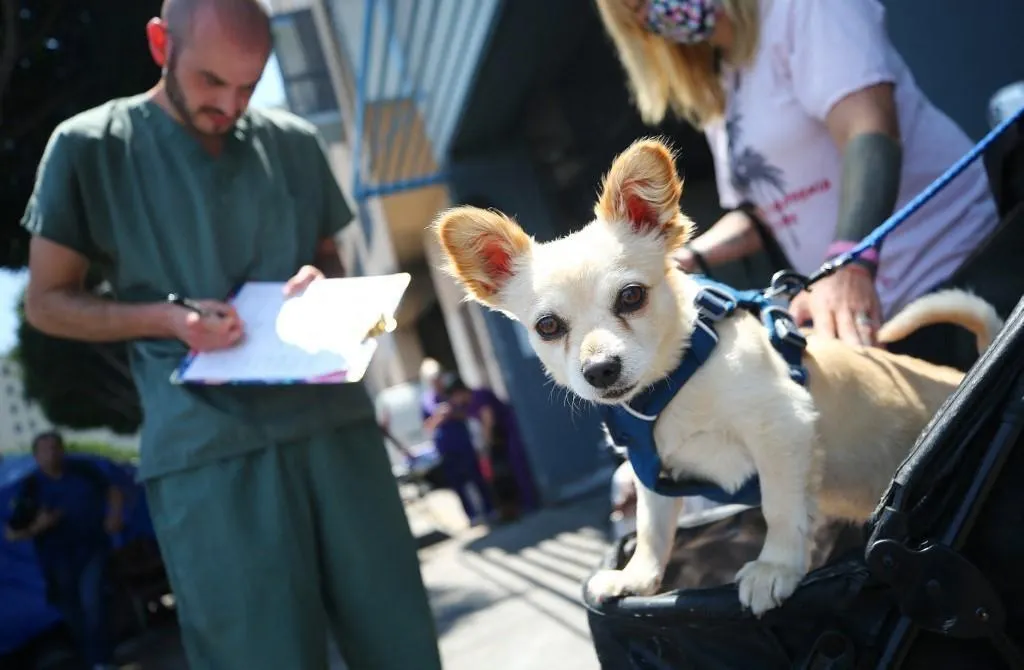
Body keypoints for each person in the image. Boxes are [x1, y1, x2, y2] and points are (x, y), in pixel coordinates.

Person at [18, 1, 442, 668]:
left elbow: (329, 255)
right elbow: (45, 303)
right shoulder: (90, 148)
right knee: (256, 656)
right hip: (208, 453)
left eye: (249, 85)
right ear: (162, 44)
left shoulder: (293, 141)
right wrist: (164, 319)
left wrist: (318, 275)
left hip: (334, 429)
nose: (232, 104)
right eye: (212, 82)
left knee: (402, 646)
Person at [596, 0, 1008, 371]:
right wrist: (685, 258)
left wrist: (849, 262)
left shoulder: (803, 10)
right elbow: (763, 212)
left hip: (958, 267)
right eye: (640, 10)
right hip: (874, 318)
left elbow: (868, 128)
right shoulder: (724, 80)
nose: (658, 9)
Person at [4, 432, 124, 670]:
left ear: (62, 450)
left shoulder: (82, 470)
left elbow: (113, 490)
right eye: (45, 450)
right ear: (36, 457)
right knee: (74, 615)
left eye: (55, 448)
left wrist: (114, 515)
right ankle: (94, 659)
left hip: (92, 549)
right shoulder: (31, 487)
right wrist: (40, 525)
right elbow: (12, 533)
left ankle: (102, 661)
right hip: (58, 562)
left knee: (93, 603)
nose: (51, 454)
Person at [450, 377, 540, 520]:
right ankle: (520, 503)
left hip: (509, 430)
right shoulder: (468, 405)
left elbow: (488, 420)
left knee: (518, 465)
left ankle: (530, 502)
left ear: (459, 392)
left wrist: (486, 446)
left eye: (454, 397)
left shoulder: (479, 396)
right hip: (500, 436)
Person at [421, 364, 495, 525]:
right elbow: (427, 426)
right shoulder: (427, 400)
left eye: (438, 378)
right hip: (446, 448)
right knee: (458, 484)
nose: (437, 382)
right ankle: (472, 516)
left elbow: (468, 412)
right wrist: (439, 416)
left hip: (464, 443)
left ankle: (490, 510)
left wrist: (452, 413)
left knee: (477, 477)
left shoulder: (450, 393)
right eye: (433, 380)